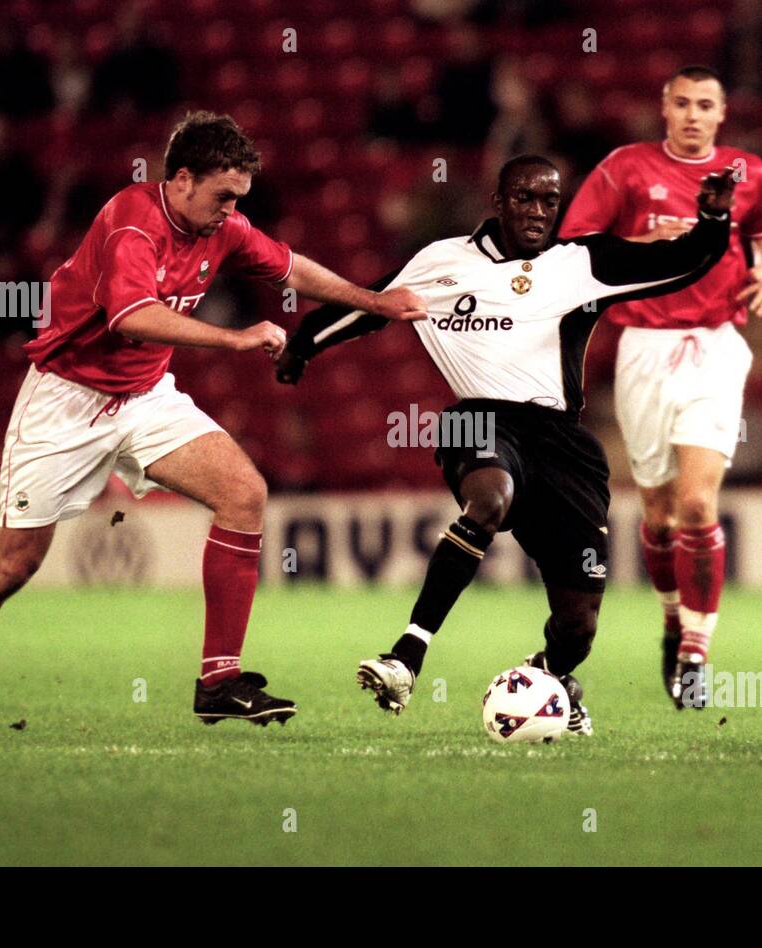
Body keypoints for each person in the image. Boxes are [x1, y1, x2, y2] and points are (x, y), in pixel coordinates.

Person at [0, 111, 426, 737]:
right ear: (182, 179)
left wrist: (375, 300)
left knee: (244, 493)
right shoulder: (131, 225)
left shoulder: (218, 225)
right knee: (10, 567)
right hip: (67, 403)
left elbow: (289, 267)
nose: (231, 210)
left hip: (144, 397)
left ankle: (219, 682)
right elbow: (131, 319)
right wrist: (235, 338)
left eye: (239, 199)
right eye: (223, 196)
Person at [275, 154, 736, 735]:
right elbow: (370, 308)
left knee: (579, 626)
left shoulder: (582, 263)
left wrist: (713, 219)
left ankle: (550, 675)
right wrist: (302, 345)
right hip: (479, 419)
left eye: (550, 201)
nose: (539, 212)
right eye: (525, 198)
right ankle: (407, 656)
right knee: (489, 499)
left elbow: (681, 261)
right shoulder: (441, 262)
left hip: (564, 446)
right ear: (497, 202)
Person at [558, 65, 762, 709]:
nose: (693, 114)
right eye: (682, 103)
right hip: (643, 350)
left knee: (696, 505)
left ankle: (696, 649)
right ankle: (672, 617)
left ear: (722, 113)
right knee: (657, 517)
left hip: (715, 345)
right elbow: (574, 246)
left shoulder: (749, 173)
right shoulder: (625, 169)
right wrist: (639, 241)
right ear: (664, 109)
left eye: (705, 105)